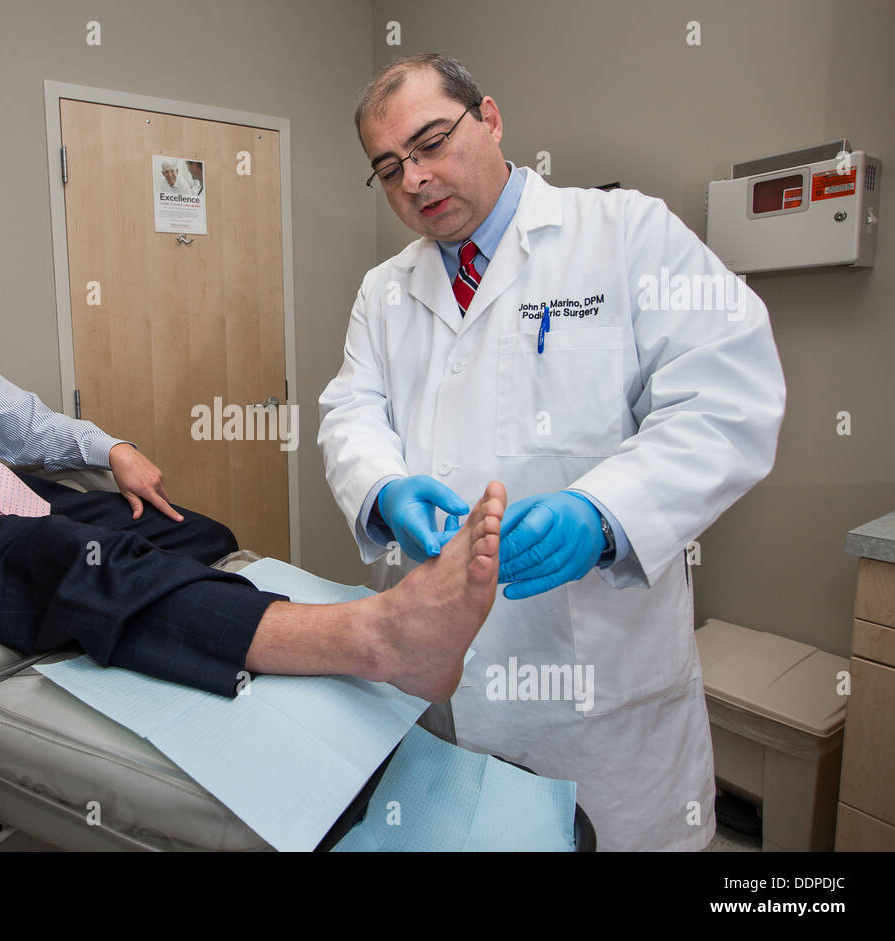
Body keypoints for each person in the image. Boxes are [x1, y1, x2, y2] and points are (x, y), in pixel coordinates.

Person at [0, 196, 507, 705]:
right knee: (75, 549)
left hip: (3, 502)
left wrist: (114, 449)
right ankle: (368, 639)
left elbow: (35, 428)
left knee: (192, 528)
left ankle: (200, 615)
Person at [318, 54, 786, 850]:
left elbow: (728, 397)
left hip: (604, 698)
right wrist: (384, 486)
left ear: (491, 120)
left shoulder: (625, 234)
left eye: (432, 143)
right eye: (390, 168)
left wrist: (604, 514)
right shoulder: (384, 291)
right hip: (446, 676)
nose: (417, 178)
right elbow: (350, 410)